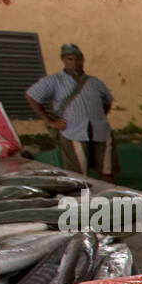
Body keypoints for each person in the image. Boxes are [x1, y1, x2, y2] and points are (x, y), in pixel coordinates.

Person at [25, 43, 117, 182]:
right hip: (73, 132)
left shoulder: (95, 82)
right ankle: (84, 202)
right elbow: (32, 96)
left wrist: (98, 118)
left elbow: (107, 101)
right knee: (78, 175)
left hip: (100, 132)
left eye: (78, 59)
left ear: (83, 59)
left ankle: (109, 201)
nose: (75, 63)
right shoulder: (54, 80)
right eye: (70, 59)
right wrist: (49, 121)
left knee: (107, 171)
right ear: (63, 60)